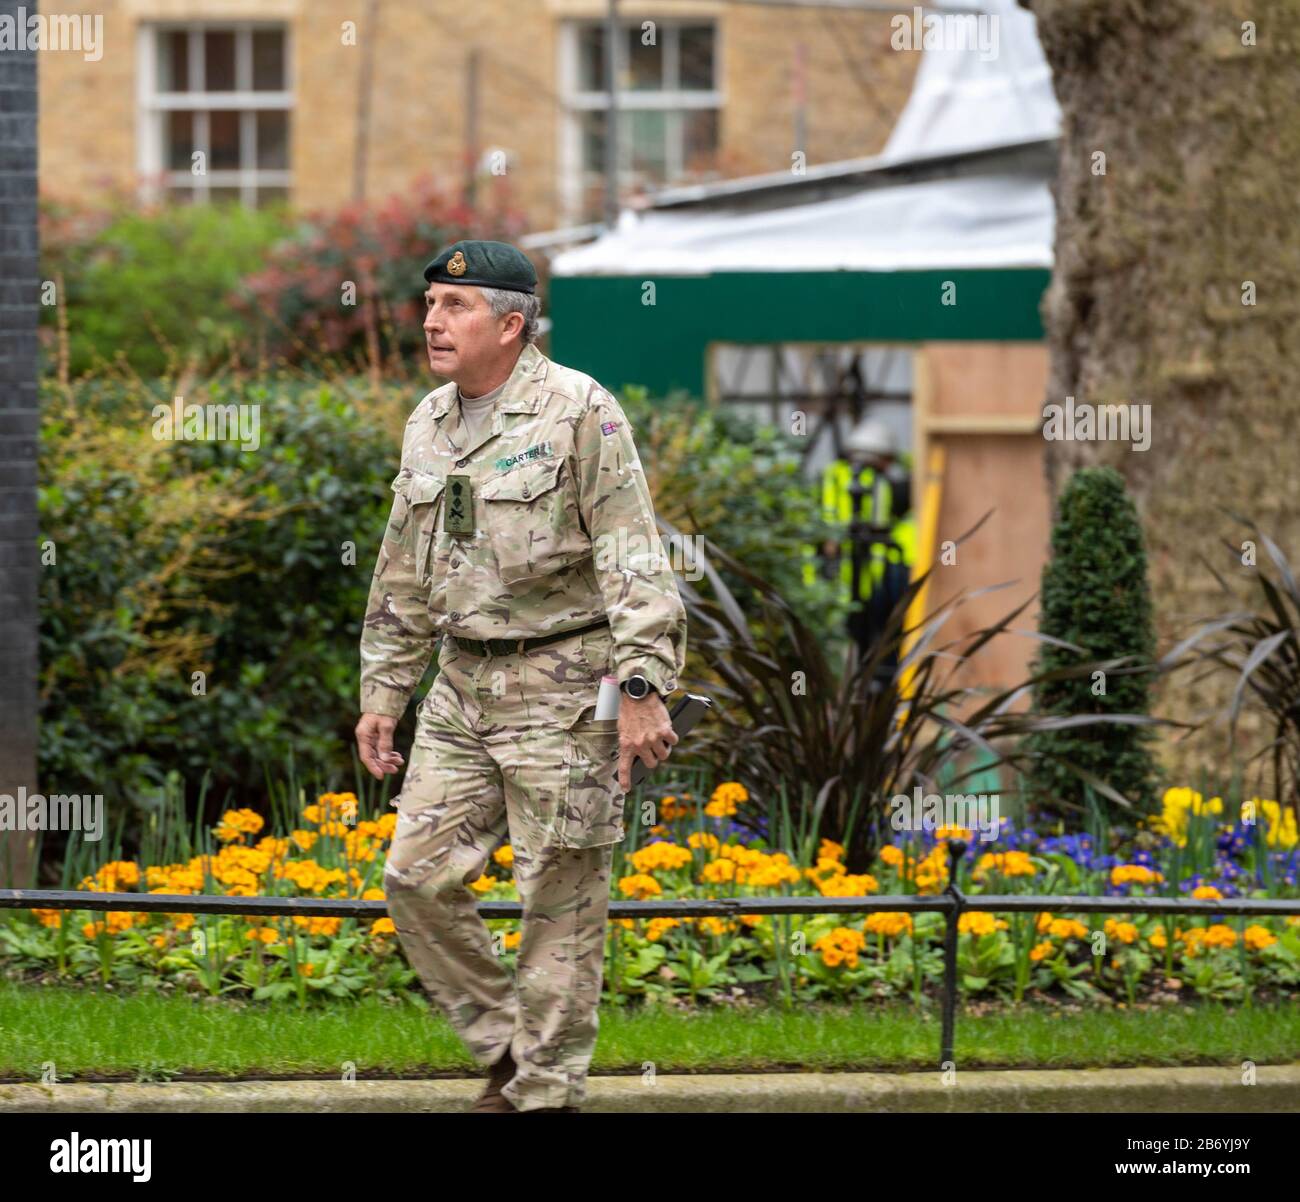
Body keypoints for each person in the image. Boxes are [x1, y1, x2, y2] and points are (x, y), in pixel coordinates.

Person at [357, 240, 687, 1113]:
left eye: (455, 307)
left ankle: (542, 1091)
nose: (433, 320)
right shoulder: (429, 420)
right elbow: (402, 567)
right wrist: (385, 691)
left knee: (557, 897)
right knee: (414, 877)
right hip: (461, 687)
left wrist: (643, 690)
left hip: (568, 682)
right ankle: (507, 1043)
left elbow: (633, 558)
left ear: (512, 324)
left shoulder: (582, 411)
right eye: (429, 303)